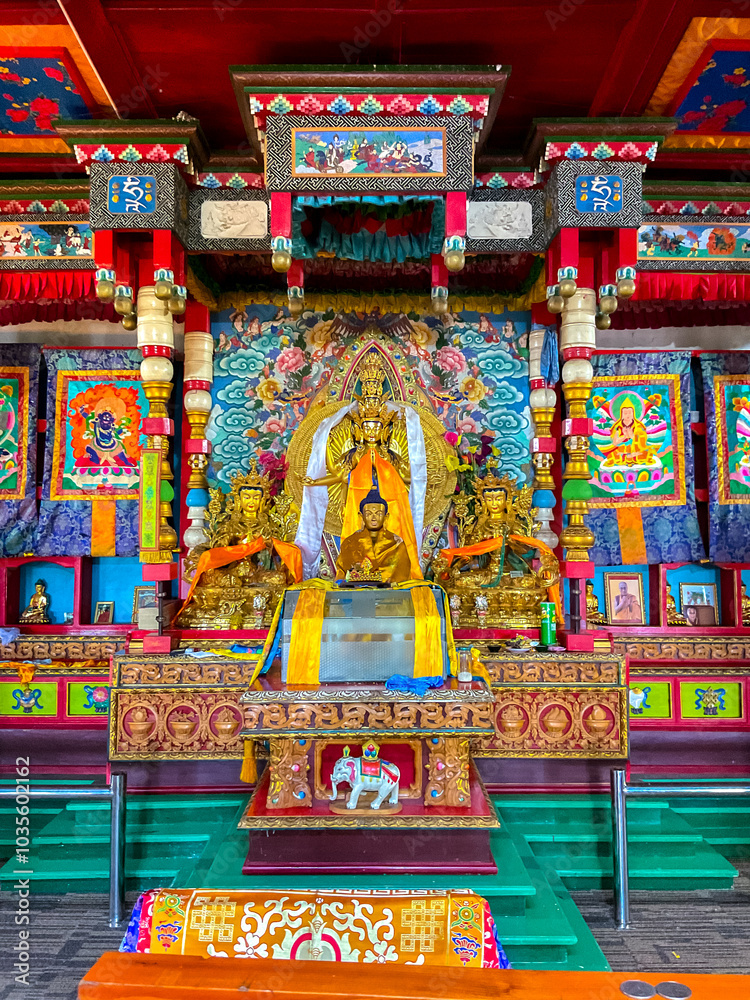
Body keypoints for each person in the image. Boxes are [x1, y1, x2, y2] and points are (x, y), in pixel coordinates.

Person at [335, 489, 412, 585]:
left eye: (378, 513)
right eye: (369, 514)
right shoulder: (350, 543)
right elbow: (342, 574)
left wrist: (386, 583)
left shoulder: (396, 543)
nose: (374, 518)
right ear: (361, 516)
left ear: (386, 517)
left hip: (388, 596)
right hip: (355, 595)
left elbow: (402, 576)